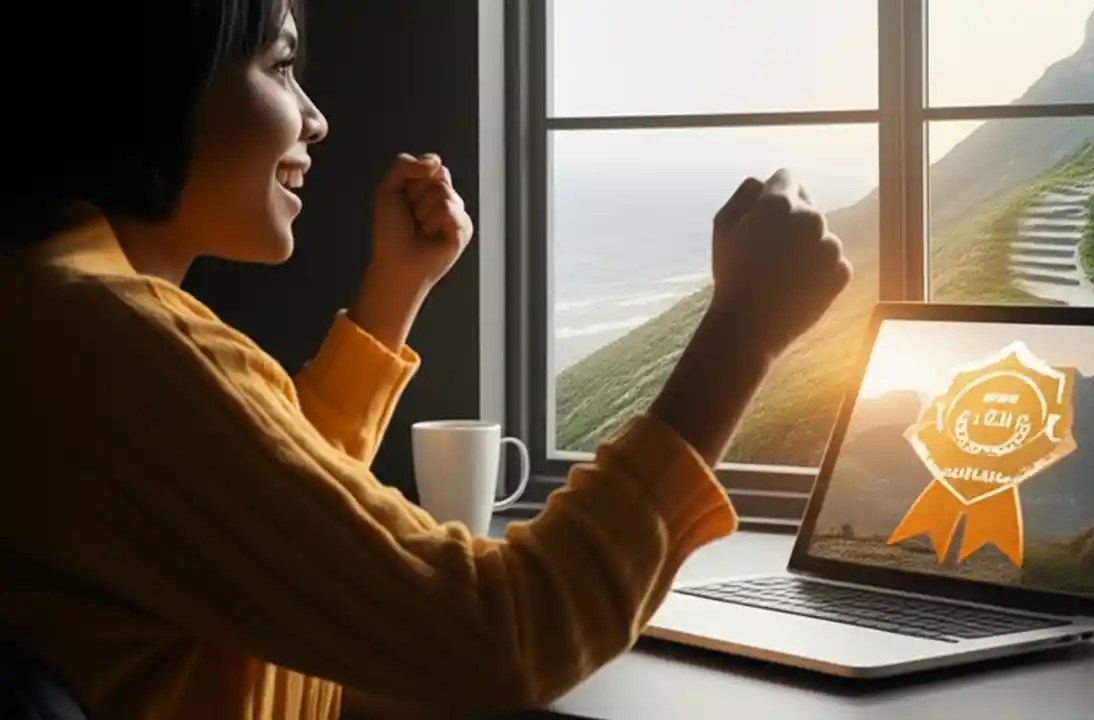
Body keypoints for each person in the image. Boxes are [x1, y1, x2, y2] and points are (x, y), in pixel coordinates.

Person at [0, 1, 853, 718]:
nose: (313, 117)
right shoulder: (118, 346)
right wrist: (744, 333)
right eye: (281, 65)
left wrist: (393, 291)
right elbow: (501, 631)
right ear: (159, 78)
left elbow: (268, 529)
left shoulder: (51, 311)